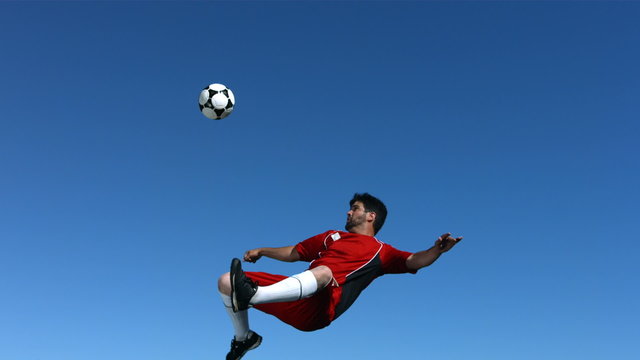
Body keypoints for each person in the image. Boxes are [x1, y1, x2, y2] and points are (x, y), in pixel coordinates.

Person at [217, 193, 462, 360]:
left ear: (370, 216)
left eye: (354, 208)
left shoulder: (382, 251)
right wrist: (262, 250)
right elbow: (294, 252)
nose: (348, 211)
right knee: (227, 281)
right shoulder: (331, 236)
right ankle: (244, 338)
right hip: (294, 294)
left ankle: (255, 295)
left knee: (324, 272)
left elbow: (414, 260)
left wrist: (436, 250)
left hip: (319, 308)